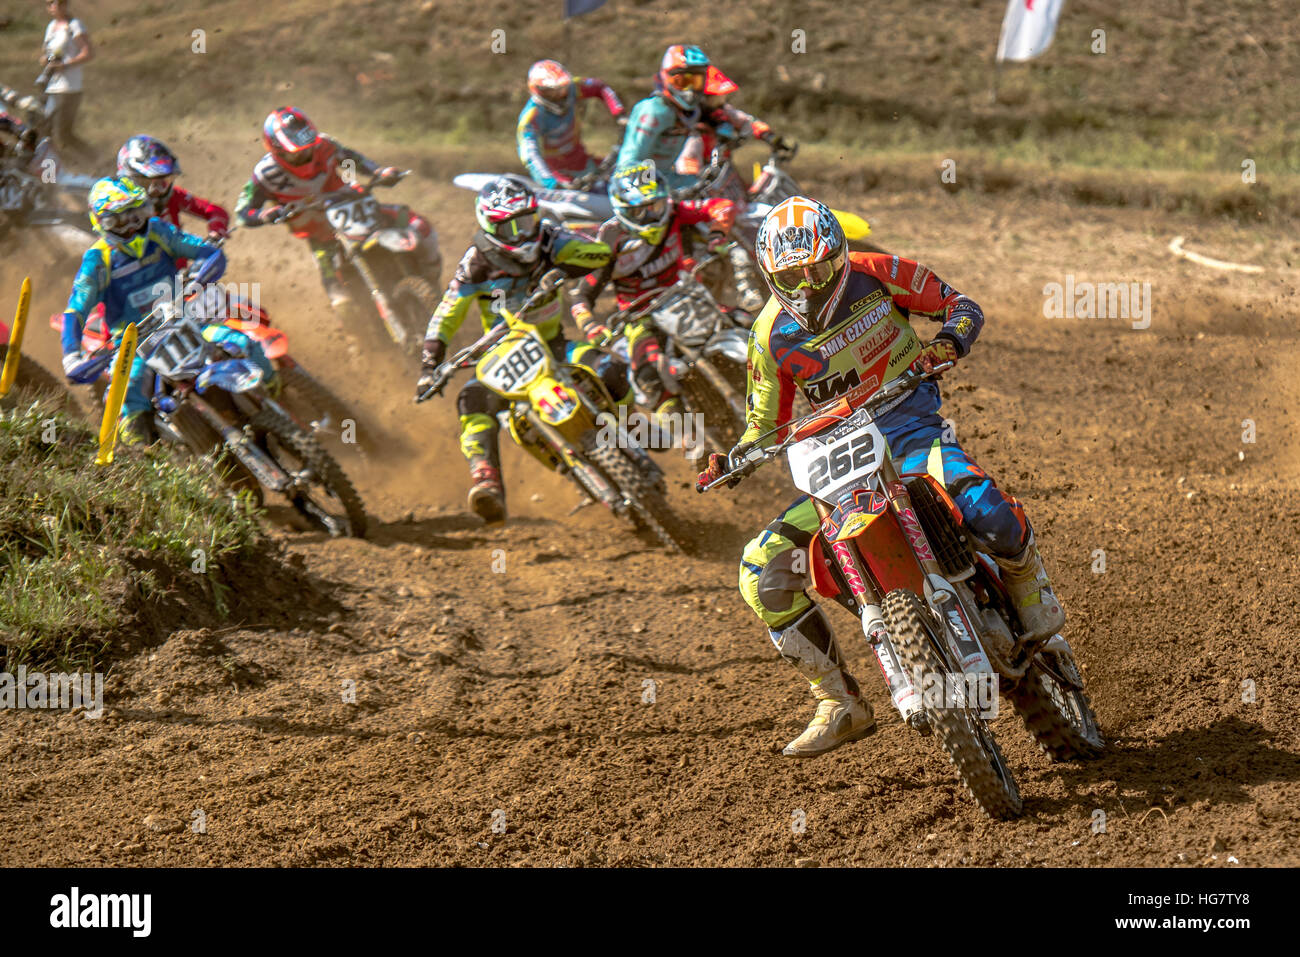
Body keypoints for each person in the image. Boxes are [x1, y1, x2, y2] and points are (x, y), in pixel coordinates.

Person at [698, 196, 1066, 758]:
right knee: (759, 570)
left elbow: (960, 305)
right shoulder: (769, 335)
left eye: (816, 269)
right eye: (789, 275)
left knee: (988, 511)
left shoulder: (879, 275)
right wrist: (734, 458)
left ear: (839, 256)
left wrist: (948, 341)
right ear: (768, 273)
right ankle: (838, 700)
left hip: (910, 434)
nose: (806, 284)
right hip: (836, 466)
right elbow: (763, 423)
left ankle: (1032, 595)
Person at [416, 176, 625, 522]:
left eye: (526, 221)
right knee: (471, 401)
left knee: (610, 369)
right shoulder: (475, 263)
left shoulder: (550, 239)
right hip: (503, 352)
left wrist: (563, 266)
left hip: (554, 343)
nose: (521, 233)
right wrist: (429, 365)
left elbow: (598, 253)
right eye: (510, 227)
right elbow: (446, 314)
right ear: (489, 226)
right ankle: (487, 481)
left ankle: (634, 429)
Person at [59, 177, 273, 445]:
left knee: (242, 341)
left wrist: (198, 276)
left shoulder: (159, 231)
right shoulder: (98, 260)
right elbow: (76, 310)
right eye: (118, 221)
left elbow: (207, 252)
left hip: (185, 319)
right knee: (130, 388)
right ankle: (142, 457)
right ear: (101, 223)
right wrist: (71, 355)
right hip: (135, 342)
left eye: (135, 215)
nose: (131, 226)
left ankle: (280, 402)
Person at [570, 159, 738, 430]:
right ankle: (691, 441)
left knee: (741, 322)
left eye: (656, 205)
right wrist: (591, 327)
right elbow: (581, 295)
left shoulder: (673, 211)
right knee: (647, 374)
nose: (653, 215)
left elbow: (720, 206)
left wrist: (717, 235)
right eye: (642, 211)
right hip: (639, 315)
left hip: (683, 292)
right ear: (624, 211)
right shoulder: (610, 240)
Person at [234, 106, 440, 310]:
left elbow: (351, 160)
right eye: (296, 154)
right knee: (342, 302)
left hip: (357, 210)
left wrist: (379, 172)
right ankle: (355, 337)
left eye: (308, 148)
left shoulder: (324, 146)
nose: (305, 155)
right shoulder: (265, 174)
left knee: (419, 225)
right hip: (320, 232)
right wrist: (265, 215)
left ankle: (434, 281)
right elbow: (243, 213)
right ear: (276, 151)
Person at [616, 44, 711, 193]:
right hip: (635, 187)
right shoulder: (653, 111)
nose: (690, 91)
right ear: (667, 78)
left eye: (696, 82)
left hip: (664, 178)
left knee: (712, 189)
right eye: (682, 82)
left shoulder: (693, 113)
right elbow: (628, 166)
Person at [516, 59, 624, 189]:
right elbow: (530, 156)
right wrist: (551, 183)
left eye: (562, 90)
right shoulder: (531, 116)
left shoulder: (574, 88)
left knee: (624, 175)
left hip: (585, 162)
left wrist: (620, 114)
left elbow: (600, 87)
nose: (560, 96)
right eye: (552, 92)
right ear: (538, 91)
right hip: (559, 176)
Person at [116, 135, 229, 241]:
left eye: (163, 181)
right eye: (146, 183)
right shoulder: (114, 207)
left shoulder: (173, 197)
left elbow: (216, 211)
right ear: (129, 180)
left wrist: (215, 231)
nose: (157, 190)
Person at [39, 1, 93, 159]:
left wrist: (65, 65)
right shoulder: (51, 27)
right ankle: (51, 170)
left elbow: (88, 53)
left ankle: (97, 160)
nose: (53, 6)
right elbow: (47, 52)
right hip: (51, 86)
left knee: (64, 134)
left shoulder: (74, 25)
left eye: (57, 3)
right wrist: (46, 60)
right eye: (50, 3)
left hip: (69, 87)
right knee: (45, 131)